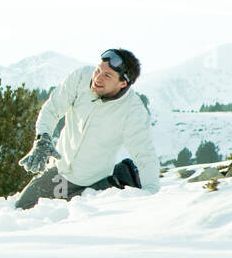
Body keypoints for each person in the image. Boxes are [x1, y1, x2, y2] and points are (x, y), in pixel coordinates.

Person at [15, 49, 160, 210]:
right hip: (61, 172)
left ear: (123, 83)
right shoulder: (80, 78)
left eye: (107, 76)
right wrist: (43, 139)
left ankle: (117, 179)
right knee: (24, 207)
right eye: (98, 70)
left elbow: (144, 154)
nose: (97, 77)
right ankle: (111, 181)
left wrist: (151, 196)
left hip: (95, 179)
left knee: (79, 214)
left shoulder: (133, 110)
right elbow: (51, 109)